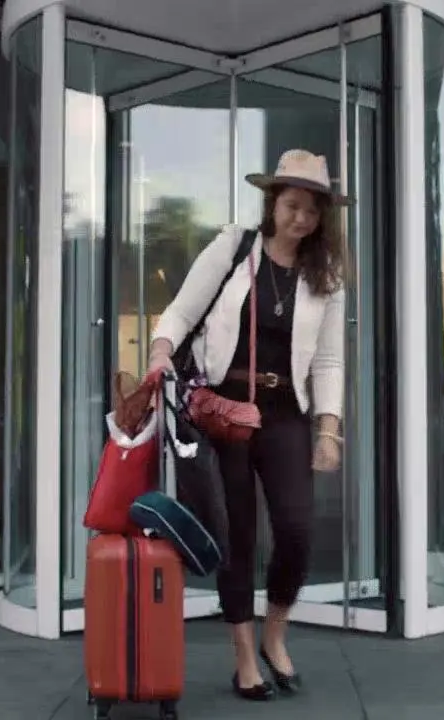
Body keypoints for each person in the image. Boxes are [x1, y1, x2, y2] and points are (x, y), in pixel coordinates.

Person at [147, 148, 347, 701]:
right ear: (272, 203)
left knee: (297, 530)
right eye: (292, 205)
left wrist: (328, 430)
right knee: (236, 536)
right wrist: (160, 350)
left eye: (312, 210)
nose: (301, 218)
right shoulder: (234, 248)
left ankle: (274, 635)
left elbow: (329, 361)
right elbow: (183, 311)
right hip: (223, 410)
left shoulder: (326, 276)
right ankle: (242, 657)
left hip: (285, 416)